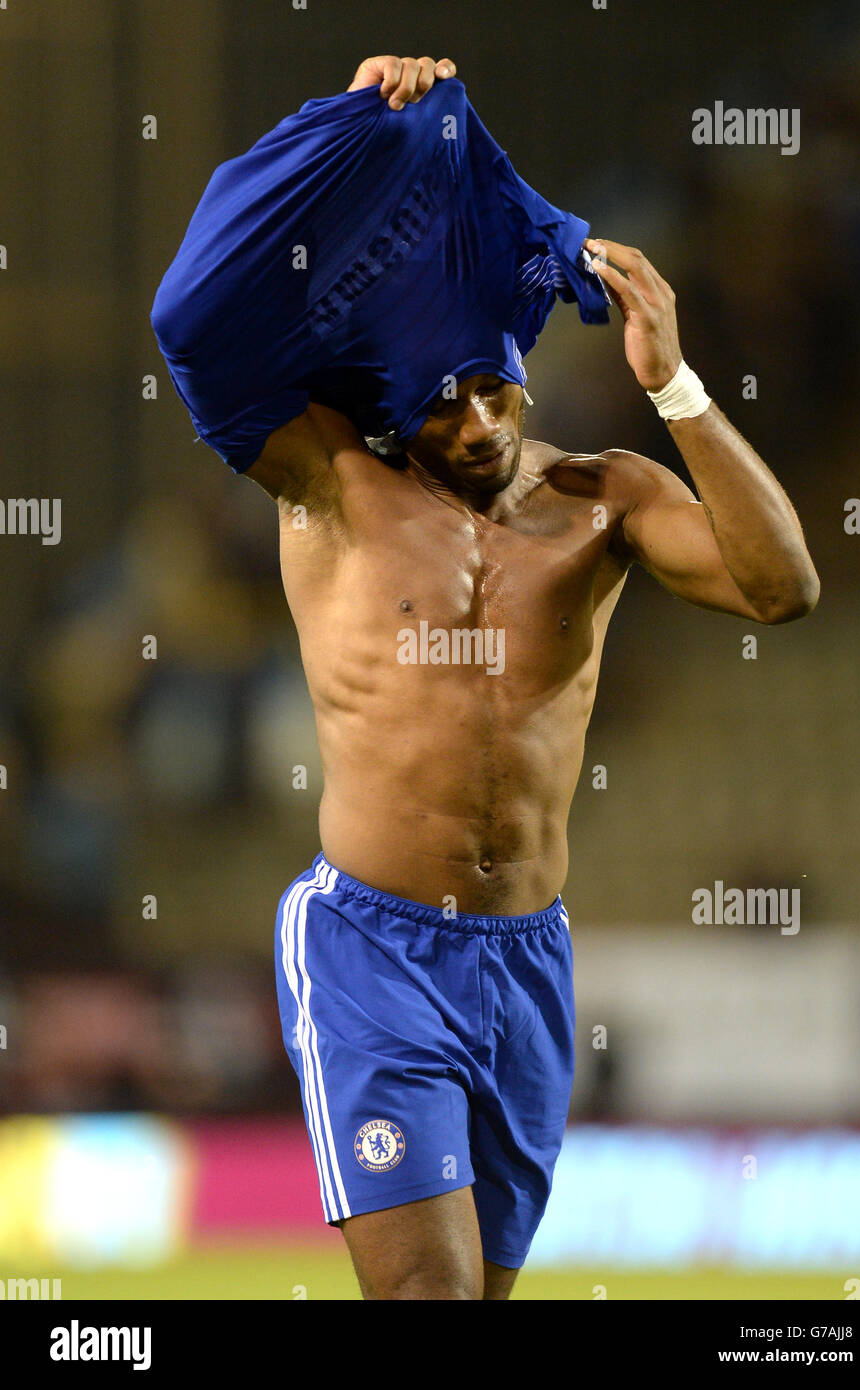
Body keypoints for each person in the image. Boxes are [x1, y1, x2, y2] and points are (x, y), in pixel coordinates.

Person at [177, 55, 822, 1300]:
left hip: (528, 960)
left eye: (495, 390)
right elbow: (200, 322)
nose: (476, 423)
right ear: (391, 402)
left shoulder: (605, 499)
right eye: (445, 401)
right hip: (372, 948)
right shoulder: (330, 484)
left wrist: (672, 386)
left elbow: (780, 585)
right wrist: (354, 130)